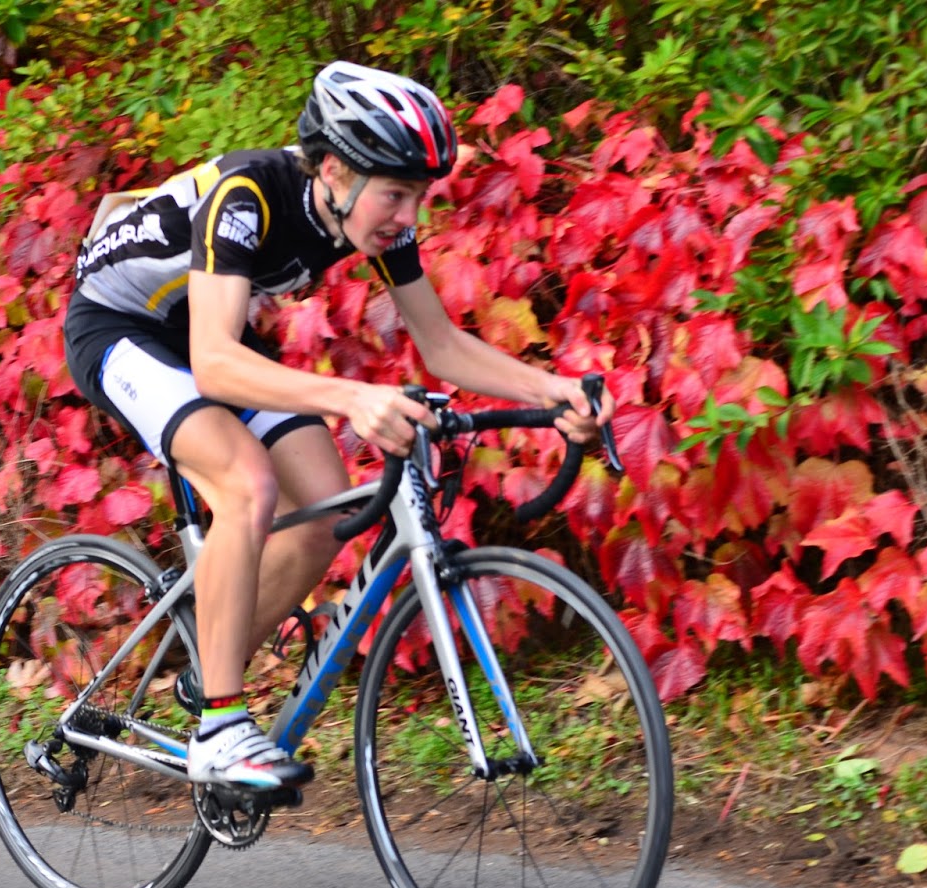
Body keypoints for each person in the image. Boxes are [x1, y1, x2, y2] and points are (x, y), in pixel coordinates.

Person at [62, 61, 612, 789]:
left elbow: (441, 345)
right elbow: (217, 364)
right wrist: (350, 397)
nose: (409, 215)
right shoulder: (247, 192)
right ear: (333, 169)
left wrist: (557, 389)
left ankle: (207, 671)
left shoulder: (367, 217)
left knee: (327, 514)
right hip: (120, 329)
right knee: (247, 484)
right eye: (396, 194)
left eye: (418, 196)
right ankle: (221, 728)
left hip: (206, 328)